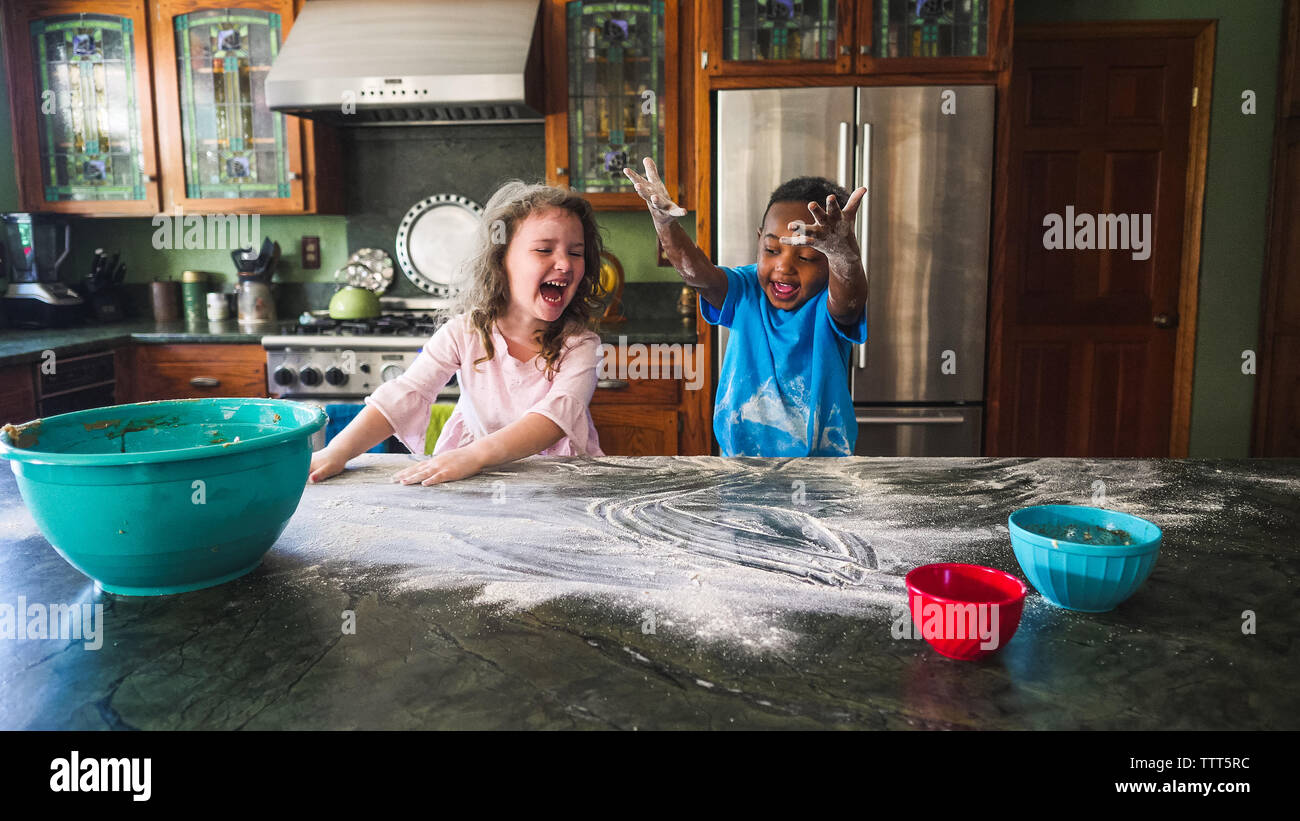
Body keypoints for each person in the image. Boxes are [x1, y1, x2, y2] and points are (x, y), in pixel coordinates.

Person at [307, 181, 607, 486]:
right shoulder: (464, 333)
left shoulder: (581, 346)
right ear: (501, 261)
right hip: (479, 479)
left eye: (576, 253)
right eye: (544, 249)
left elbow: (554, 418)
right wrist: (338, 451)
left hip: (560, 481)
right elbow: (406, 394)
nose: (565, 264)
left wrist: (474, 456)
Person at [624, 159, 868, 456]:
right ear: (758, 240)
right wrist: (666, 225)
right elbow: (697, 274)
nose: (783, 267)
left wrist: (845, 256)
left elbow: (849, 302)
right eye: (772, 250)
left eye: (806, 257)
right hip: (740, 465)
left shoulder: (828, 301)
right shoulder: (745, 288)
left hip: (821, 470)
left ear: (829, 261)